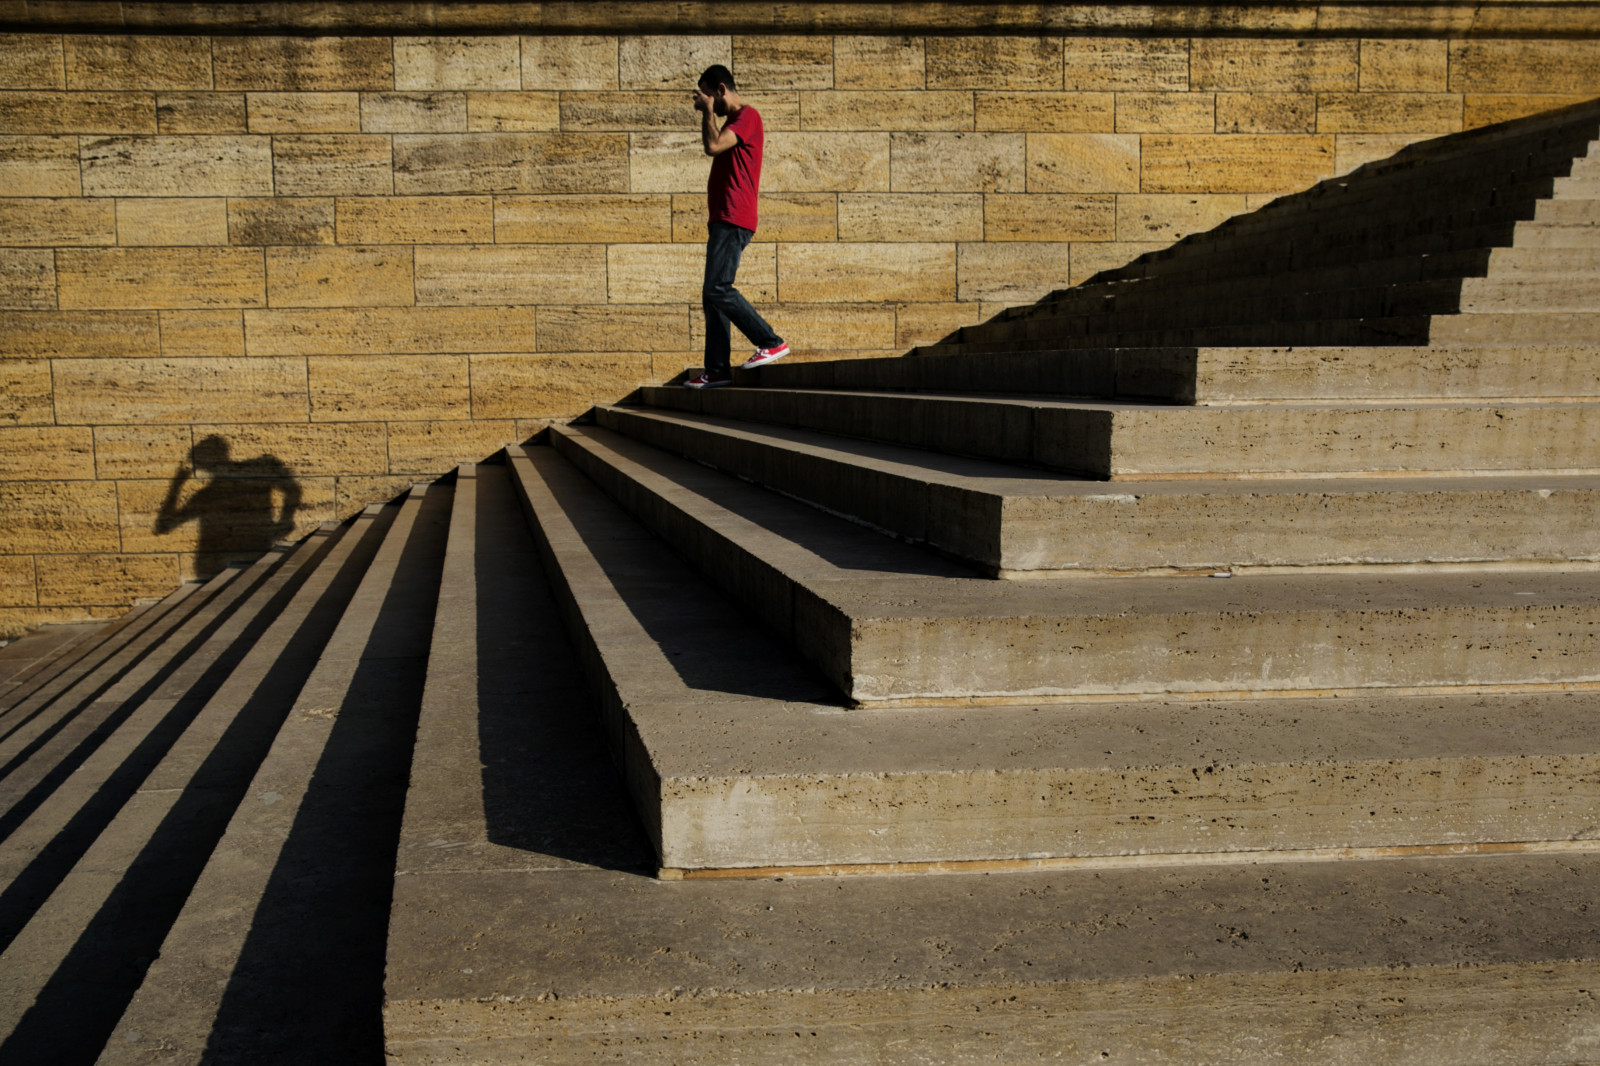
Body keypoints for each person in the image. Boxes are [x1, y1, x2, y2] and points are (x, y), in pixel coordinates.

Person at [684, 63, 788, 389]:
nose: (707, 104)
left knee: (718, 288)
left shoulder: (747, 117)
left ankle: (770, 341)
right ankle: (716, 370)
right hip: (723, 219)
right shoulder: (733, 121)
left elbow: (712, 147)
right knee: (711, 294)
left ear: (720, 90)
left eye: (709, 96)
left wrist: (707, 114)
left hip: (734, 218)